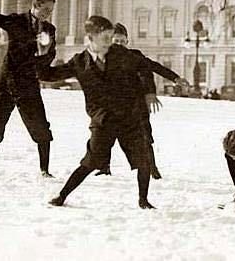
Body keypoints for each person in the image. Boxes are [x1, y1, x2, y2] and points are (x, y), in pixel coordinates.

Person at [40, 16, 159, 210]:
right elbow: (49, 75)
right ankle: (62, 196)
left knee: (143, 160)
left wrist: (149, 92)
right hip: (103, 120)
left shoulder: (120, 54)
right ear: (91, 38)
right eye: (105, 38)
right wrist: (45, 53)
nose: (109, 42)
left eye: (111, 37)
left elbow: (144, 66)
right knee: (91, 162)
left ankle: (143, 200)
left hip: (128, 117)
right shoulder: (80, 62)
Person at [0, 0, 57, 180]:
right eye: (46, 10)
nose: (48, 14)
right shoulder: (16, 21)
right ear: (35, 5)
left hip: (28, 84)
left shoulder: (49, 30)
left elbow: (51, 56)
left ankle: (45, 170)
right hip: (6, 82)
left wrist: (44, 53)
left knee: (41, 128)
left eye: (51, 11)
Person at [97, 22, 190, 179]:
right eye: (115, 41)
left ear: (127, 42)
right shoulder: (104, 58)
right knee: (106, 135)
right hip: (113, 104)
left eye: (122, 41)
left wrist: (175, 78)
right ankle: (104, 167)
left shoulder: (134, 56)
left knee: (144, 136)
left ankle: (152, 168)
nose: (119, 45)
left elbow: (154, 66)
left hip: (136, 104)